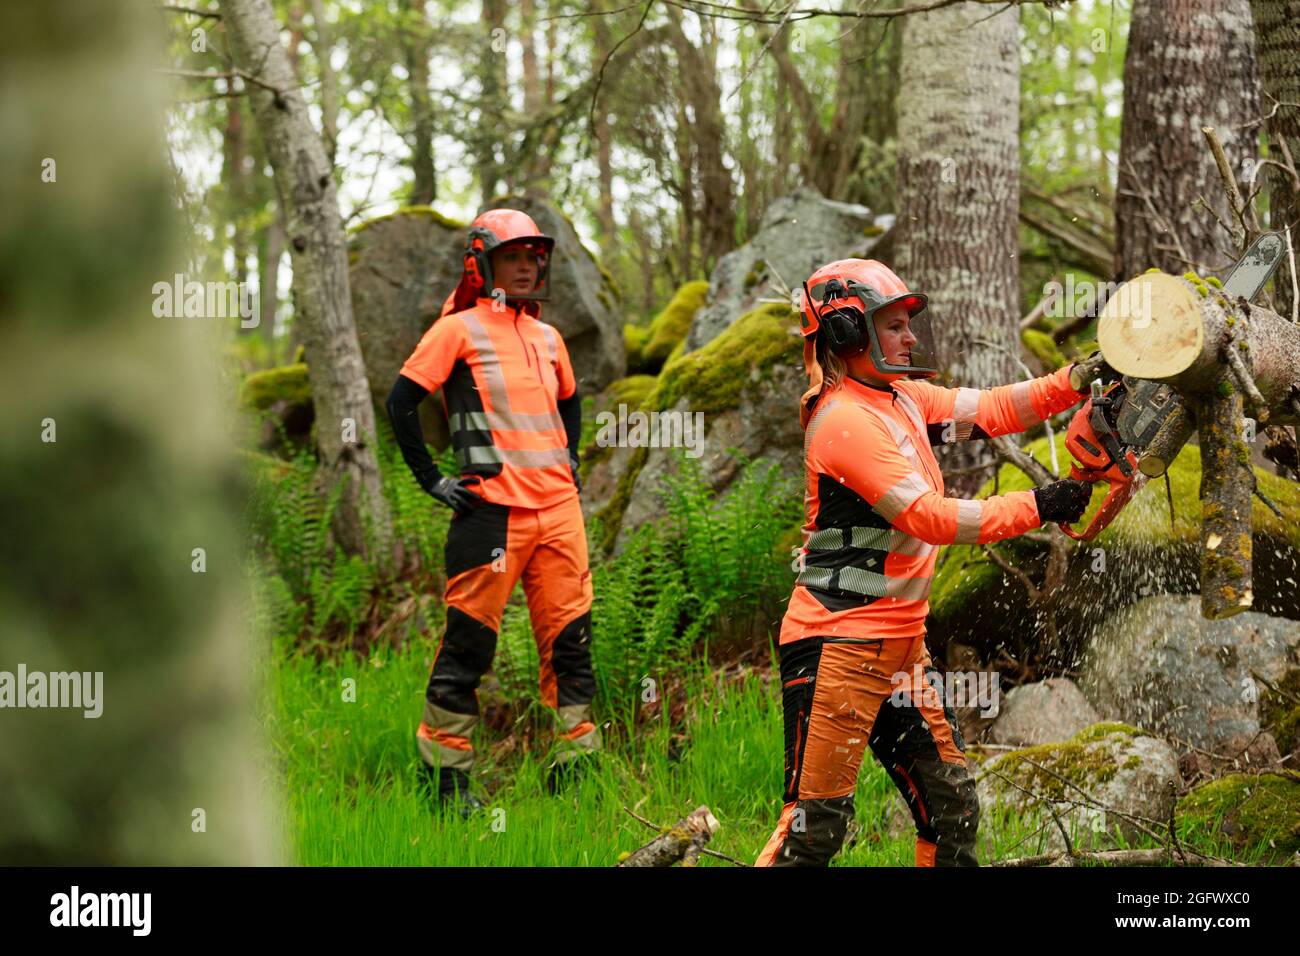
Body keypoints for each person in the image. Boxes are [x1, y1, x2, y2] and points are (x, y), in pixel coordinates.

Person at [755, 258, 1101, 866]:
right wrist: (1038, 504)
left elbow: (994, 408)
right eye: (893, 326)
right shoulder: (842, 422)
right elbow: (929, 517)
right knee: (814, 830)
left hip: (899, 650)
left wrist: (1078, 377)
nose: (910, 337)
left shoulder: (903, 399)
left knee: (952, 808)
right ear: (847, 333)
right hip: (836, 647)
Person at [385, 208, 600, 815]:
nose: (531, 265)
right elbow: (401, 400)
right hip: (491, 516)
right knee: (468, 648)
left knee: (572, 645)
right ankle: (445, 781)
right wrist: (432, 480)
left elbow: (571, 401)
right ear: (481, 265)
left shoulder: (549, 337)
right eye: (516, 256)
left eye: (536, 256)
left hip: (560, 513)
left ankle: (576, 770)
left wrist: (572, 461)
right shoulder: (458, 330)